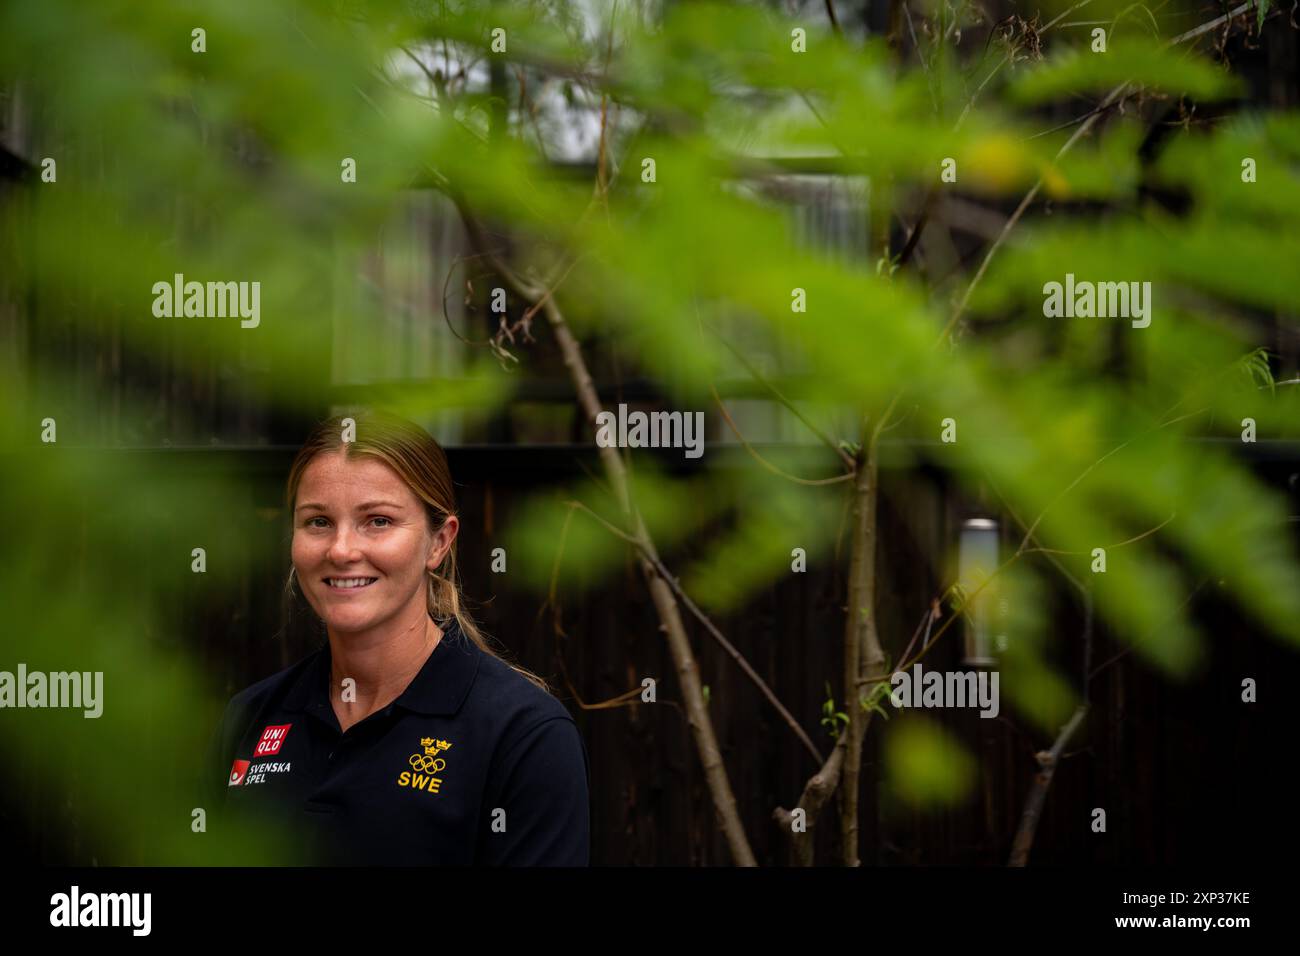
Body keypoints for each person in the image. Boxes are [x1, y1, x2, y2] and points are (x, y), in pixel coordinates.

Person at [203, 411, 590, 865]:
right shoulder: (250, 718)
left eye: (379, 521)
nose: (342, 550)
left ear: (439, 542)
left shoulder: (524, 736)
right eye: (318, 522)